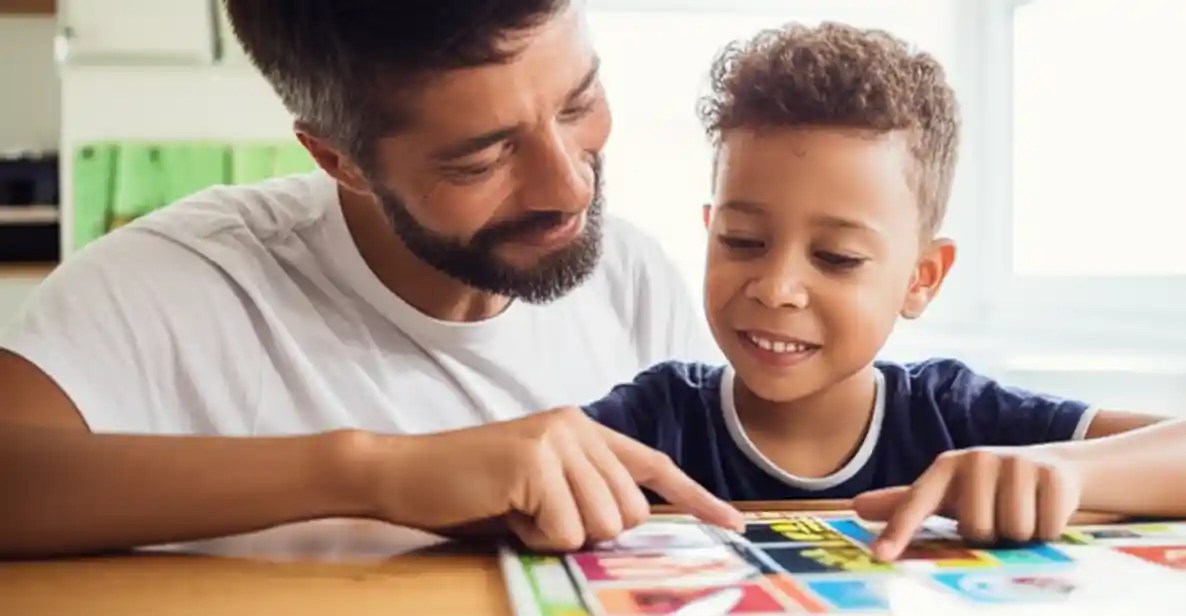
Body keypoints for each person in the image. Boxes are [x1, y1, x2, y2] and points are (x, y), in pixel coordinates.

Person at [0, 1, 745, 559]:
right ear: (338, 161)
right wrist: (376, 472)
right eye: (481, 160)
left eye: (578, 103)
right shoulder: (177, 287)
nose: (569, 188)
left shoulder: (632, 274)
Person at [573, 23, 1186, 561]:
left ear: (921, 278)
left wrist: (1064, 470)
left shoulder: (955, 416)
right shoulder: (657, 420)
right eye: (742, 241)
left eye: (838, 256)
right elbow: (506, 481)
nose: (778, 287)